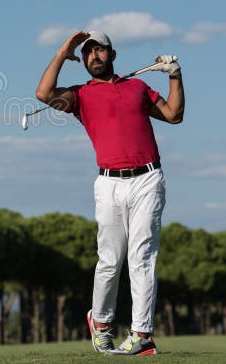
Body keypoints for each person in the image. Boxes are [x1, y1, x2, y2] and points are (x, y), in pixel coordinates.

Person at [35, 30, 184, 356]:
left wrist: (175, 74)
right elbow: (43, 94)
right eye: (88, 53)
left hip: (147, 179)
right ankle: (100, 324)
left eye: (99, 51)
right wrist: (63, 51)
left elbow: (174, 115)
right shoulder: (79, 97)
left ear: (112, 55)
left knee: (142, 258)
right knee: (110, 260)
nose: (94, 57)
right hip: (108, 183)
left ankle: (142, 335)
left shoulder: (138, 86)